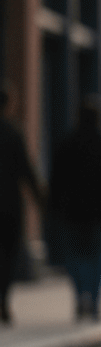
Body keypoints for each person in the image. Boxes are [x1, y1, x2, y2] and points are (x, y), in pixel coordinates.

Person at [49, 100, 101, 321]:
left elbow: (56, 181)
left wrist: (54, 208)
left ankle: (80, 294)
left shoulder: (66, 145)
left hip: (72, 212)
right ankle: (94, 299)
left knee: (75, 257)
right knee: (98, 258)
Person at [0, 87, 44, 323]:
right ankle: (3, 299)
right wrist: (40, 200)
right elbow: (26, 169)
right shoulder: (13, 134)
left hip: (9, 204)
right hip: (9, 205)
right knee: (8, 254)